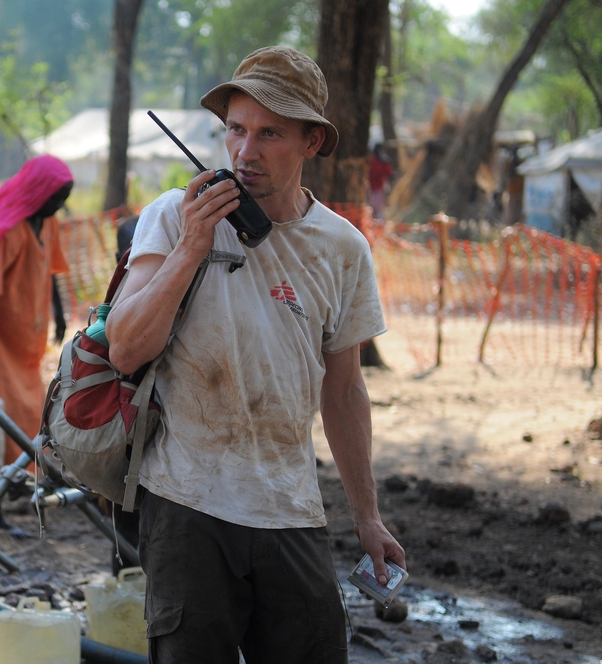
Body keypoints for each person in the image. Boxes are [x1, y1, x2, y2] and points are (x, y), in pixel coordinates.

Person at [105, 46, 405, 663]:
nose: (246, 151)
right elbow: (127, 348)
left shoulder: (342, 248)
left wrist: (368, 518)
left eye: (270, 134)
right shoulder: (174, 215)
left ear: (311, 143)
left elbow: (345, 389)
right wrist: (192, 245)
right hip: (187, 504)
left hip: (290, 506)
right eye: (236, 130)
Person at [0, 154, 73, 464]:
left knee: (34, 406)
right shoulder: (8, 231)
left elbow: (52, 267)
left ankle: (28, 470)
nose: (60, 205)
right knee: (11, 407)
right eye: (57, 197)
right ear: (39, 192)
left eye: (65, 198)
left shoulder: (48, 222)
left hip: (27, 344)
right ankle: (8, 472)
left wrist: (58, 313)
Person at [368, 142, 394, 220]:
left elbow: (389, 172)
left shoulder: (381, 160)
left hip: (378, 186)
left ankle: (378, 222)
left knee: (375, 206)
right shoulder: (373, 160)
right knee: (374, 206)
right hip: (372, 186)